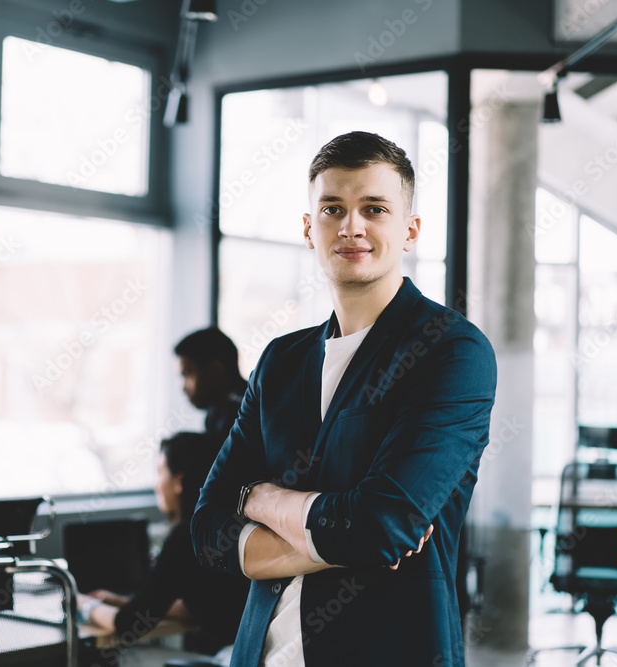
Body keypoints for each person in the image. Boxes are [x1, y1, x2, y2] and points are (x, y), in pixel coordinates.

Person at [191, 132, 497, 666]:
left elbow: (382, 526)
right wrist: (348, 535)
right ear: (310, 229)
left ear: (410, 230)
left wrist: (261, 501)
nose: (351, 225)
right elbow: (208, 529)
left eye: (374, 209)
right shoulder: (280, 361)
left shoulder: (450, 352)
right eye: (333, 209)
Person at [79, 432, 249, 654]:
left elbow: (128, 625)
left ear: (179, 480)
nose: (156, 484)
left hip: (234, 655)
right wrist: (123, 602)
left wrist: (82, 604)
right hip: (253, 652)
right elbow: (211, 606)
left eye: (160, 472)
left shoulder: (186, 537)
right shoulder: (227, 525)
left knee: (131, 659)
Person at [175, 327, 248, 445]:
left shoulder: (250, 413)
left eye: (188, 374)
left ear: (215, 370)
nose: (183, 388)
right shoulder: (214, 416)